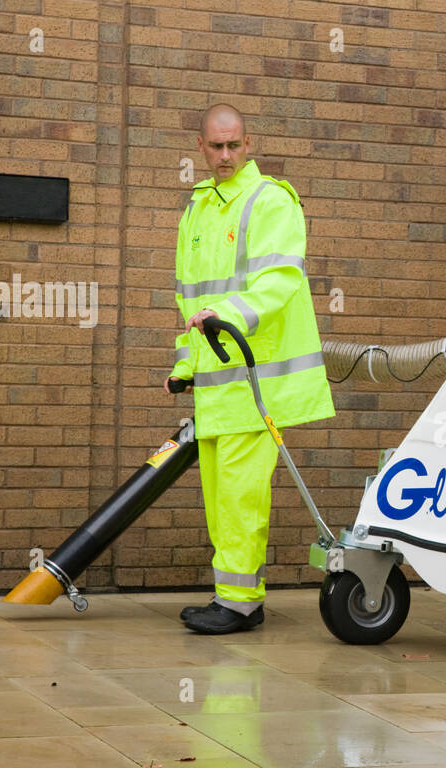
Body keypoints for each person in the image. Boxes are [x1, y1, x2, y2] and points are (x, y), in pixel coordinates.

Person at [165, 104, 334, 635]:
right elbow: (189, 299)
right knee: (221, 498)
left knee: (240, 494)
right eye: (216, 147)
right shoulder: (197, 211)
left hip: (256, 383)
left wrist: (228, 317)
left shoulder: (270, 201)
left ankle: (238, 603)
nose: (226, 156)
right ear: (200, 146)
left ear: (249, 141)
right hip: (217, 386)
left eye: (234, 145)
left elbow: (278, 282)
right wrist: (186, 362)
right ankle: (235, 597)